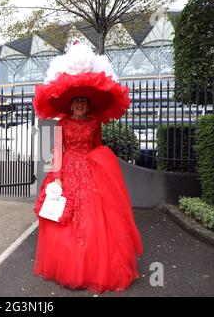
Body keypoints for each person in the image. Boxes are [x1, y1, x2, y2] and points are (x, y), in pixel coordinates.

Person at [33, 96, 144, 294]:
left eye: (84, 100)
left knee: (93, 217)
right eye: (76, 101)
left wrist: (101, 169)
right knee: (66, 217)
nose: (80, 104)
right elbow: (58, 150)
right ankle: (69, 266)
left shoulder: (94, 123)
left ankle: (91, 267)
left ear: (88, 104)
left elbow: (98, 148)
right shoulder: (62, 124)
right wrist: (57, 177)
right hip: (67, 172)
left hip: (90, 172)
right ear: (70, 104)